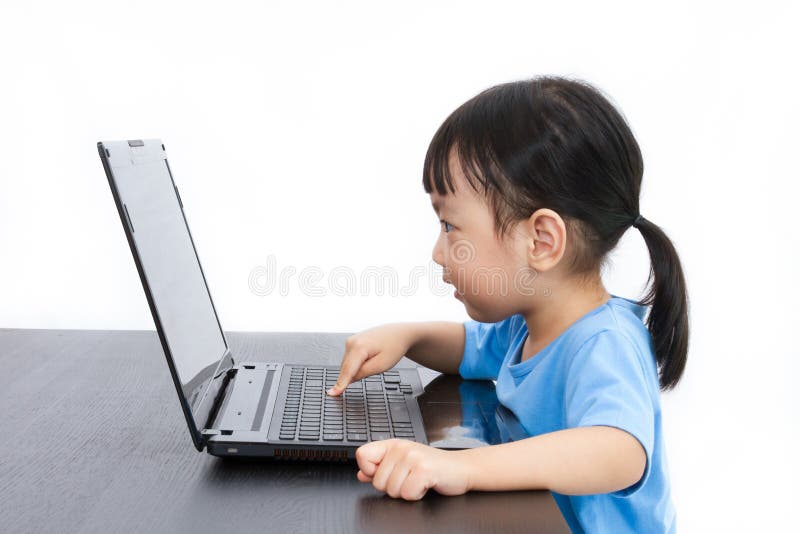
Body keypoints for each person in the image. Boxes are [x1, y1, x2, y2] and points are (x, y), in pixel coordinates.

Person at [327, 75, 687, 533]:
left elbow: (619, 451)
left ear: (541, 240)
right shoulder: (532, 325)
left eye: (451, 227)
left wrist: (460, 468)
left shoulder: (605, 343)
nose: (439, 252)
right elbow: (469, 347)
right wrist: (407, 336)